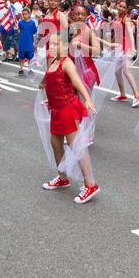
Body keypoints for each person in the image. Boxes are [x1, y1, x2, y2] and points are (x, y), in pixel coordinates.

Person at [37, 31, 100, 204]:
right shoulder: (52, 62)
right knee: (55, 143)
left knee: (76, 146)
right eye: (52, 44)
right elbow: (49, 80)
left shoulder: (67, 63)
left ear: (66, 47)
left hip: (68, 108)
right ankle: (62, 177)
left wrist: (87, 99)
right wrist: (44, 88)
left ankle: (90, 184)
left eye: (58, 44)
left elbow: (77, 82)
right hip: (56, 109)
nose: (54, 47)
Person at [17, 6, 38, 72]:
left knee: (30, 56)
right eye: (23, 14)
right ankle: (21, 68)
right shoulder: (20, 22)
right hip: (22, 41)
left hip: (29, 41)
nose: (24, 15)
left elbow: (34, 33)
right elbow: (19, 31)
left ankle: (30, 69)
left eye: (26, 14)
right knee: (21, 56)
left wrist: (34, 42)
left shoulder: (32, 23)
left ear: (29, 14)